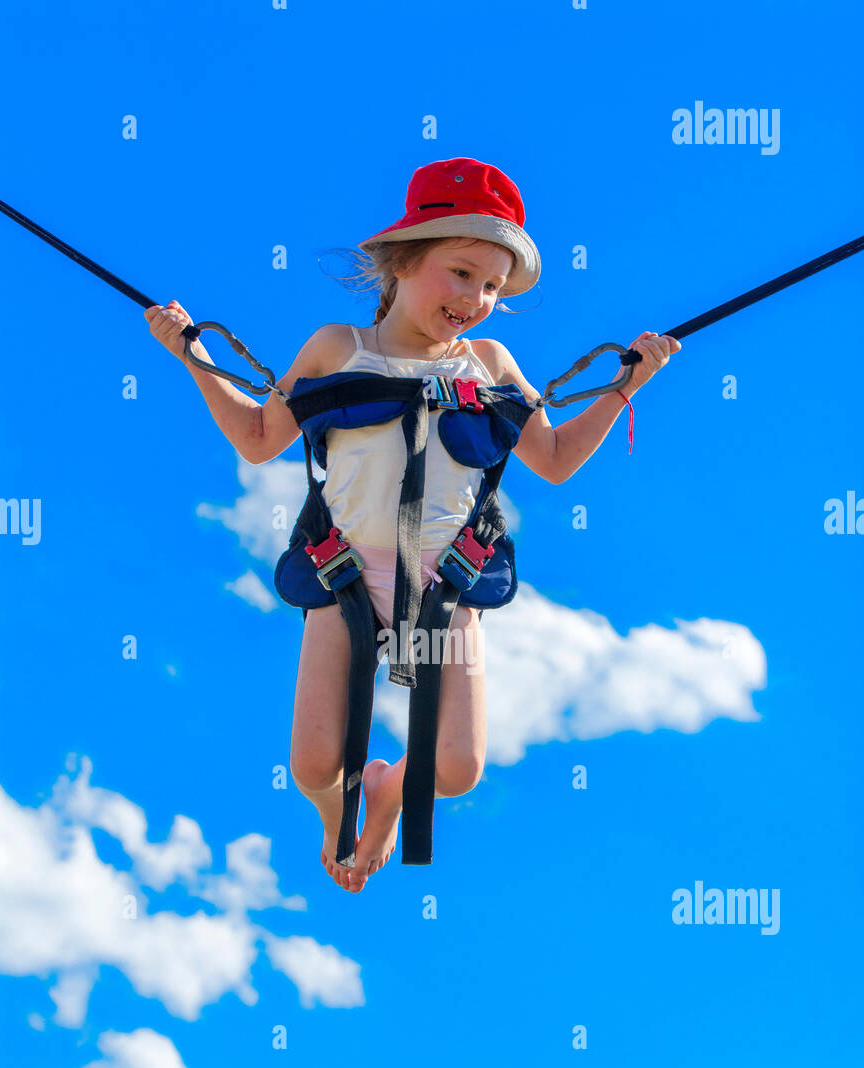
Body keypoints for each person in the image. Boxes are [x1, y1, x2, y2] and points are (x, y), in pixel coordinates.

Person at [144, 156, 681, 895]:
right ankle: (343, 821)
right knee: (313, 766)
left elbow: (553, 459)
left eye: (493, 287)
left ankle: (391, 798)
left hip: (442, 585)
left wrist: (628, 383)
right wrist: (192, 356)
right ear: (402, 260)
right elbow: (260, 437)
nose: (477, 298)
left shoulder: (487, 361)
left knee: (457, 770)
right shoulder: (340, 348)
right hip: (346, 578)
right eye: (462, 274)